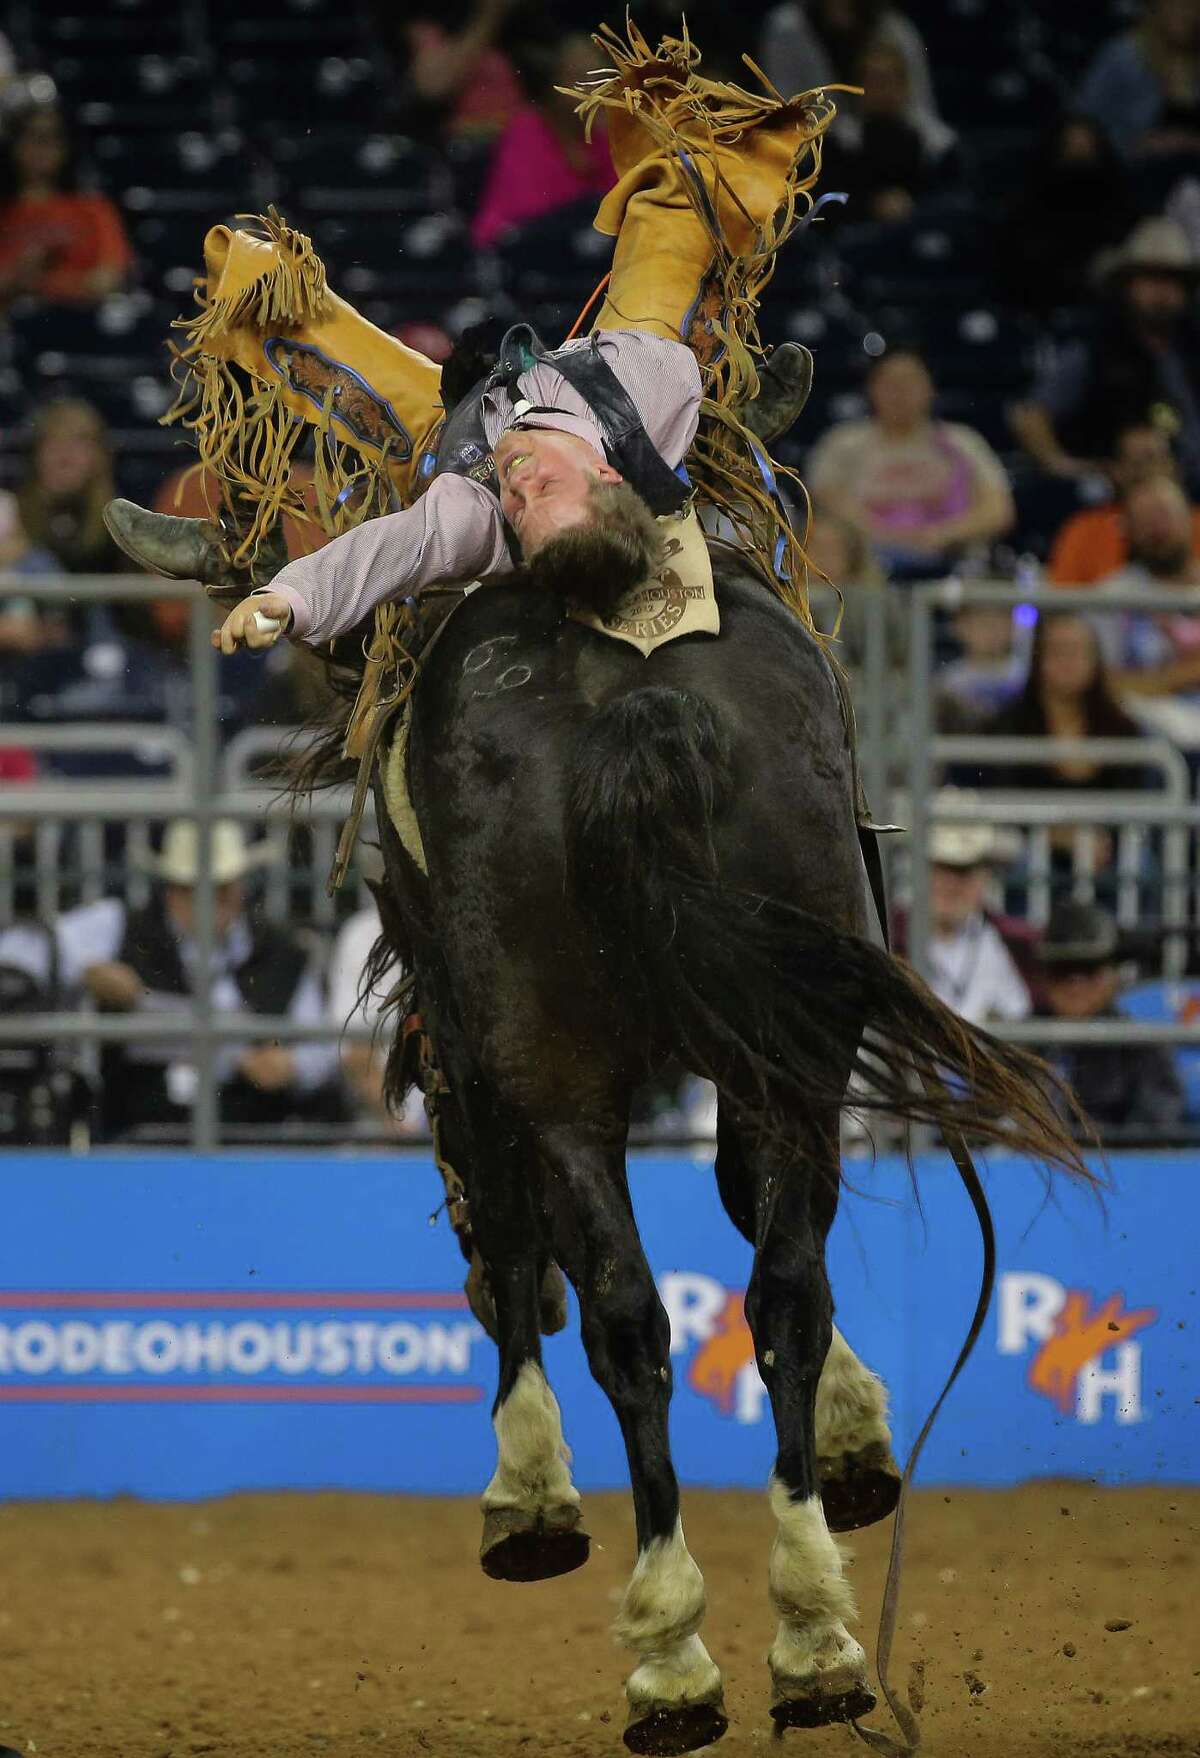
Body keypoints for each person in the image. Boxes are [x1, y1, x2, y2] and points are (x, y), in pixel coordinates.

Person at [101, 27, 829, 656]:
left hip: (445, 436)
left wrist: (286, 602)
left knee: (267, 291)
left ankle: (241, 547)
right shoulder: (652, 379)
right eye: (542, 486)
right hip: (626, 397)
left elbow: (387, 552)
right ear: (609, 478)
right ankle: (726, 430)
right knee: (676, 232)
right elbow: (670, 326)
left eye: (517, 509)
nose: (516, 485)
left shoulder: (474, 516)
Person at [0, 820, 343, 1141]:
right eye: (193, 888)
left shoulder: (283, 951)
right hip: (133, 1135)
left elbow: (322, 1047)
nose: (210, 901)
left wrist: (292, 1066)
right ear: (171, 890)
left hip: (250, 1139)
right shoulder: (119, 925)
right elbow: (20, 952)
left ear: (239, 888)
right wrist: (85, 970)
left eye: (221, 887)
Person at [1009, 217, 1200, 490]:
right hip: (1122, 496)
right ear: (1126, 285)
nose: (1163, 292)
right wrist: (1064, 466)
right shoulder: (1093, 351)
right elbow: (1029, 416)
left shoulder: (1191, 347)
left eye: (1173, 280)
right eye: (1151, 277)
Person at [806, 347, 1015, 576]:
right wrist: (882, 533)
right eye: (890, 383)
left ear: (930, 388)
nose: (900, 392)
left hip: (954, 565)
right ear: (871, 389)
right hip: (864, 570)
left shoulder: (962, 442)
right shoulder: (843, 443)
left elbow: (999, 510)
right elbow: (824, 500)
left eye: (910, 381)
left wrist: (944, 534)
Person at [1036, 900, 1184, 1140]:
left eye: (1090, 969)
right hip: (1023, 1170)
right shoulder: (1019, 1040)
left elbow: (1154, 1135)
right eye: (1062, 970)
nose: (1076, 984)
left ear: (1114, 974)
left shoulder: (1143, 1048)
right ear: (1044, 975)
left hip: (1113, 1172)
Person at [471, 34, 616, 247]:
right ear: (553, 85)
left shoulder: (603, 136)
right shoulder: (526, 129)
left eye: (603, 80)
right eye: (581, 79)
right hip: (514, 249)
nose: (596, 91)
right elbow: (529, 214)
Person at [760, 0, 953, 160]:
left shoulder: (896, 29)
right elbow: (782, 109)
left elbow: (919, 105)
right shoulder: (788, 28)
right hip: (812, 152)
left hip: (895, 142)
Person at [992, 115, 1139, 315]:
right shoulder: (1027, 209)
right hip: (1042, 304)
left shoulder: (1121, 204)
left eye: (1086, 145)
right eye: (1071, 145)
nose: (1079, 152)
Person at [0, 102, 133, 307]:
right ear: (12, 146)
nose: (42, 147)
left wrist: (40, 282)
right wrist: (20, 273)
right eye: (32, 137)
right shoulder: (6, 212)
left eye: (52, 138)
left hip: (78, 322)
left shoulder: (94, 209)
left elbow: (109, 278)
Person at [1047, 420, 1200, 586]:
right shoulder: (1084, 530)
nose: (1148, 470)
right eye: (1137, 463)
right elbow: (1062, 603)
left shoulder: (1195, 519)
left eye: (1156, 459)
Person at [1093, 474, 1200, 698]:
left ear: (1190, 516)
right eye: (1144, 520)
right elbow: (1102, 686)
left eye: (1164, 514)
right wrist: (1188, 673)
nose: (1157, 529)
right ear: (1128, 531)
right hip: (1144, 726)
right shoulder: (1109, 596)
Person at [918, 819, 1033, 1028]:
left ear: (984, 876)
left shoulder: (1015, 944)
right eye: (941, 869)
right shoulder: (889, 939)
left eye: (963, 871)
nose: (950, 884)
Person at [1076, 0, 1200, 164]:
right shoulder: (1122, 57)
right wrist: (1134, 146)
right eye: (1176, 5)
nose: (1185, 14)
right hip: (1131, 171)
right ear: (1156, 7)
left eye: (1193, 8)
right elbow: (1081, 125)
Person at [16, 399, 123, 576]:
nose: (64, 457)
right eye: (53, 442)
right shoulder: (11, 518)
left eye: (78, 443)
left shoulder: (124, 527)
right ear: (35, 455)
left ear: (100, 457)